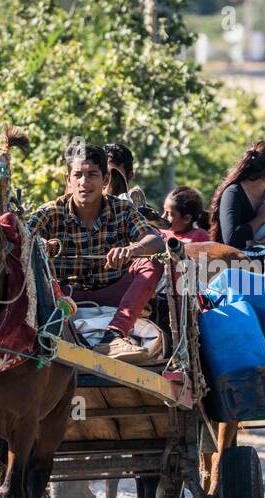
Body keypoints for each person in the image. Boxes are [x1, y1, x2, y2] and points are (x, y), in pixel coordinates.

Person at [27, 143, 166, 361]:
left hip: (114, 293)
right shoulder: (50, 212)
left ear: (106, 179)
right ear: (68, 180)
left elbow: (156, 240)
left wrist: (131, 249)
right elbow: (21, 238)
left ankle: (115, 334)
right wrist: (38, 245)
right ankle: (61, 334)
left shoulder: (123, 210)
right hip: (65, 298)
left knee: (153, 263)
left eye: (92, 174)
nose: (84, 182)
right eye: (78, 175)